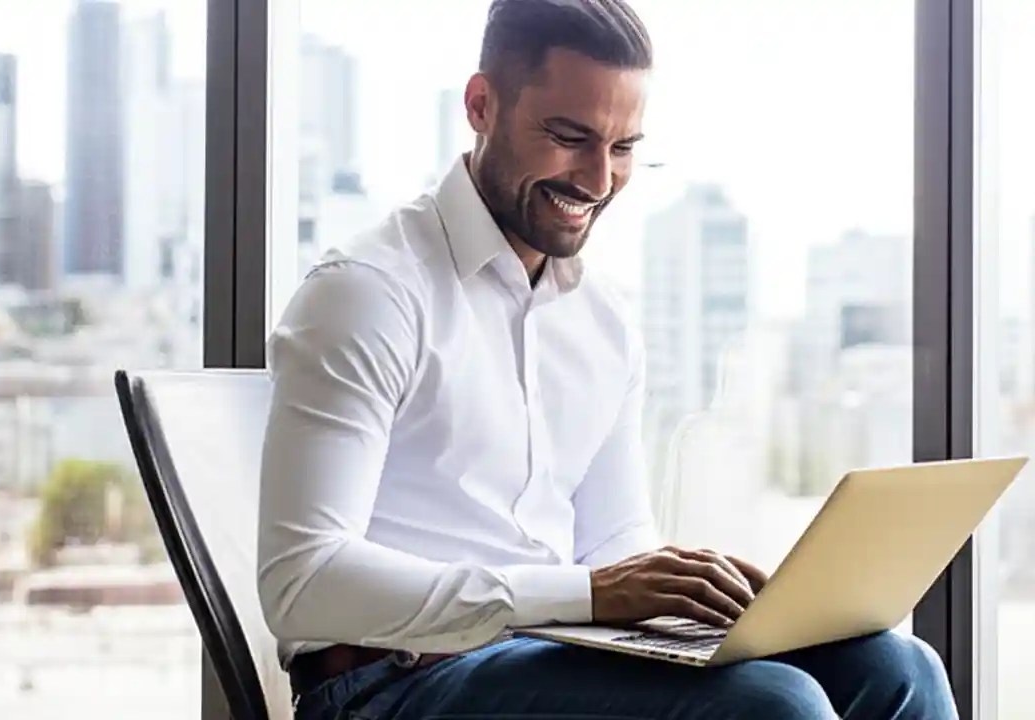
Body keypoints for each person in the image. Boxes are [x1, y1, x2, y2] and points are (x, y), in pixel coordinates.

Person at [258, 1, 956, 717]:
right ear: (481, 105)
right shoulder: (367, 293)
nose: (598, 180)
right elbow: (301, 582)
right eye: (569, 137)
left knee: (898, 666)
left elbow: (613, 541)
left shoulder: (603, 317)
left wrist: (696, 597)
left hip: (550, 652)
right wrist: (587, 594)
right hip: (387, 684)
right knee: (774, 704)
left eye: (623, 148)